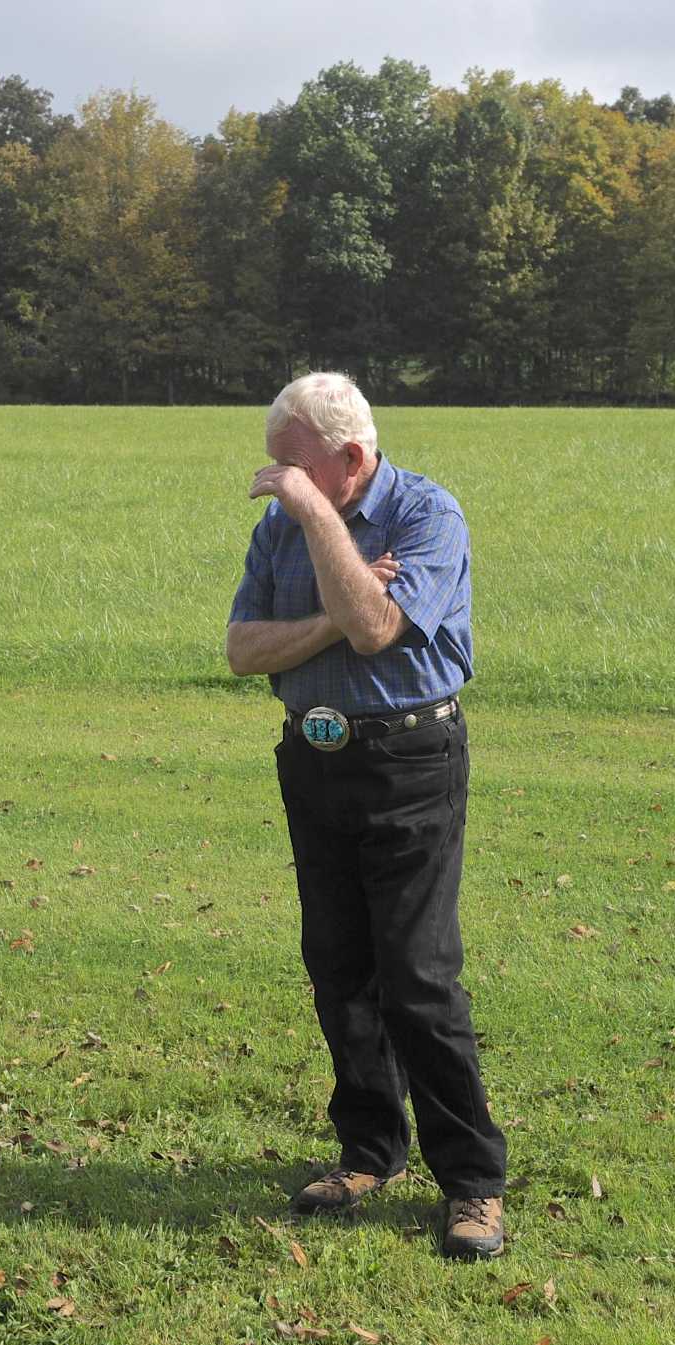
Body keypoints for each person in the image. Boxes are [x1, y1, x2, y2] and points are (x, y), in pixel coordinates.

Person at [225, 371, 507, 1260]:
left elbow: (380, 628)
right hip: (313, 760)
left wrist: (319, 524)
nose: (275, 483)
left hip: (410, 762)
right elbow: (242, 649)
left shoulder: (428, 515)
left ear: (351, 459)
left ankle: (472, 1183)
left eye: (294, 468)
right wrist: (328, 618)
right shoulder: (278, 527)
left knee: (418, 975)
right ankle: (369, 1152)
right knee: (338, 964)